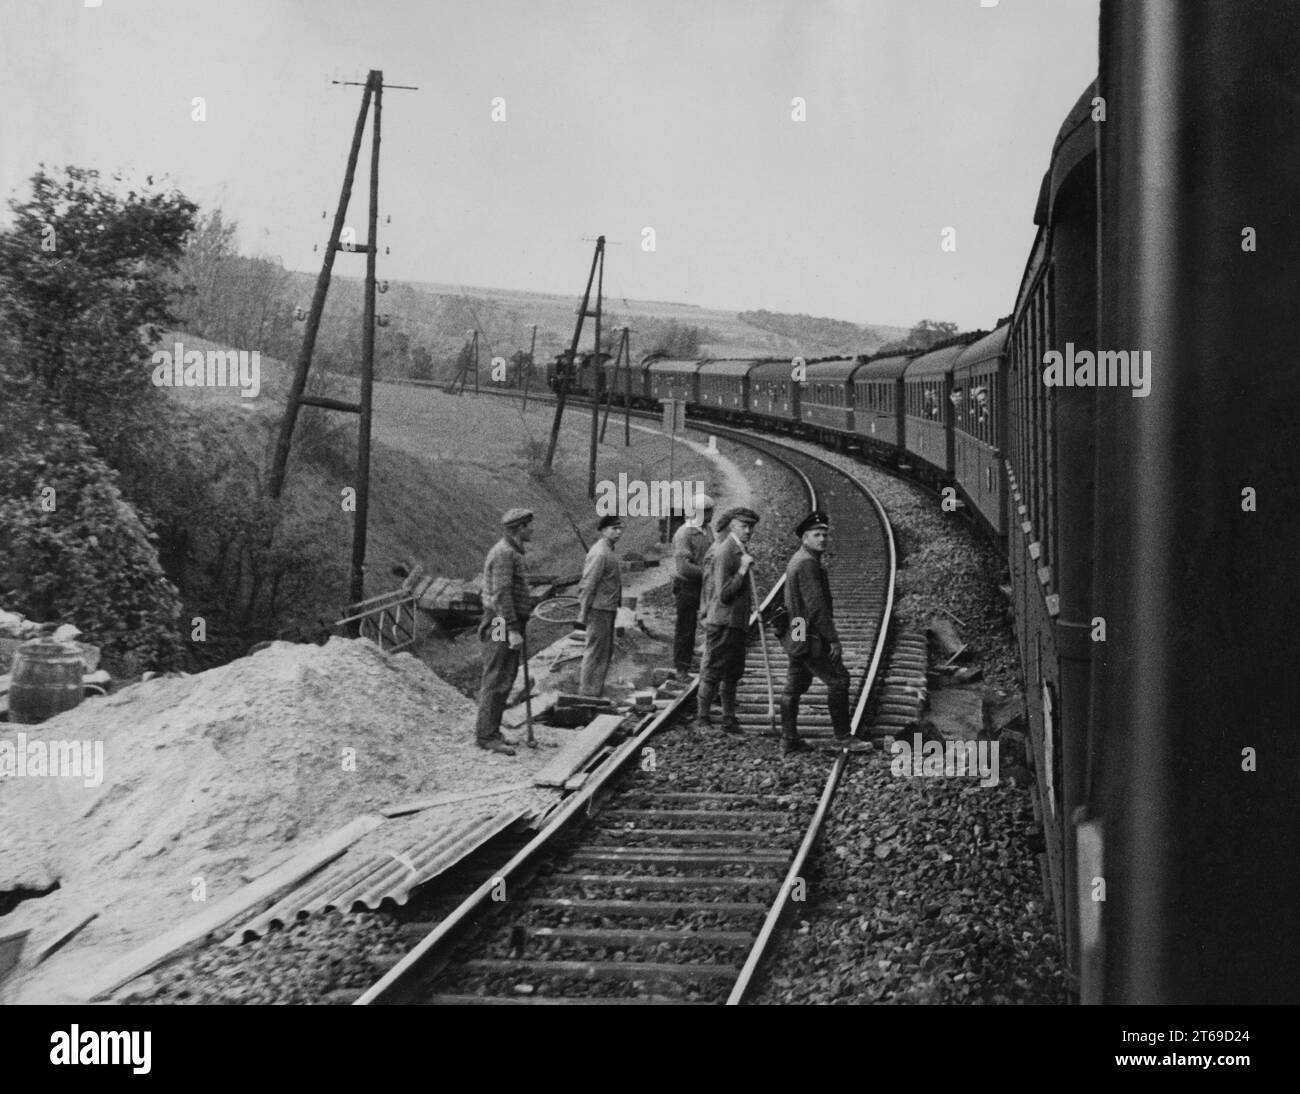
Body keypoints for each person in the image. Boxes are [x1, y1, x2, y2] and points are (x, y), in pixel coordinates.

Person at [780, 510, 872, 755]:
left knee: (795, 682)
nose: (822, 539)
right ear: (805, 538)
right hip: (808, 632)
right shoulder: (807, 563)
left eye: (824, 535)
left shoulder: (799, 559)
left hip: (797, 630)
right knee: (839, 679)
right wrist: (832, 639)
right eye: (816, 535)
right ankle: (842, 737)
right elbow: (817, 607)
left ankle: (789, 739)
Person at [475, 507, 535, 756]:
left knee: (506, 676)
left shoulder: (513, 551)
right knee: (497, 677)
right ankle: (486, 736)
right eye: (529, 525)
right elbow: (501, 595)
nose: (533, 529)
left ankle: (493, 730)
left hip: (506, 621)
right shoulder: (504, 553)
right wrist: (512, 629)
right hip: (500, 622)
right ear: (520, 528)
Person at [696, 506, 760, 734]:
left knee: (733, 672)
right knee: (713, 670)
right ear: (732, 525)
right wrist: (742, 570)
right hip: (723, 621)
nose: (748, 531)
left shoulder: (740, 548)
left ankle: (728, 718)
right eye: (744, 526)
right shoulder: (725, 552)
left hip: (736, 623)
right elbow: (724, 594)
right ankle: (702, 719)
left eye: (751, 527)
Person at [578, 514, 624, 697]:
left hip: (607, 608)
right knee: (595, 652)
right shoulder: (600, 553)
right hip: (599, 610)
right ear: (603, 530)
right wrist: (583, 612)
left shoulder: (608, 549)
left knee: (604, 652)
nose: (619, 532)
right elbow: (588, 584)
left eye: (620, 528)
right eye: (614, 528)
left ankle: (594, 691)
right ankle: (587, 694)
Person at [670, 492, 715, 678]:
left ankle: (707, 662)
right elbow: (684, 566)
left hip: (705, 585)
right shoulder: (684, 533)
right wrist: (709, 574)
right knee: (686, 628)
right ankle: (682, 668)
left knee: (712, 622)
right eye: (708, 511)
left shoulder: (707, 530)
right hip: (688, 586)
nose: (711, 514)